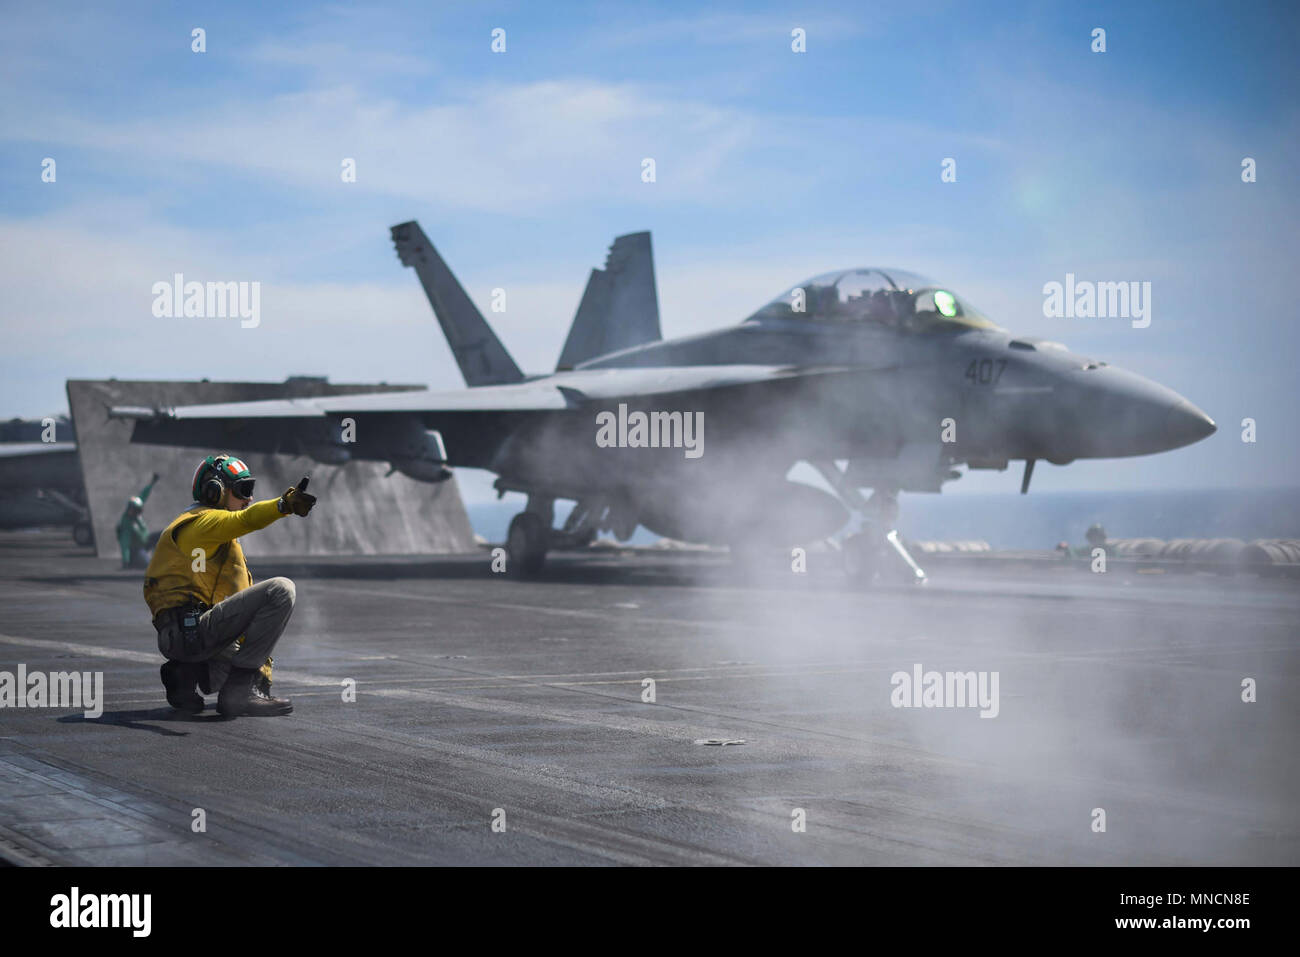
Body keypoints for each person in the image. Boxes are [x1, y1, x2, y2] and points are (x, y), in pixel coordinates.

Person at [143, 454, 316, 718]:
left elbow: (240, 612)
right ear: (216, 491)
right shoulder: (202, 522)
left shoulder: (216, 537)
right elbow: (246, 519)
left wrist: (262, 675)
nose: (249, 499)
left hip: (190, 635)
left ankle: (183, 675)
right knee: (281, 590)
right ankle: (237, 692)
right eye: (243, 490)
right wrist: (283, 505)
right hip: (194, 632)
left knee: (242, 677)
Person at [116, 473, 160, 568]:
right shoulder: (127, 523)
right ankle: (134, 562)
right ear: (129, 509)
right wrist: (125, 561)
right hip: (135, 549)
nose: (136, 513)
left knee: (163, 534)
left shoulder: (136, 515)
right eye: (134, 510)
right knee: (149, 565)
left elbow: (143, 496)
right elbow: (125, 544)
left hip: (145, 540)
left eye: (138, 510)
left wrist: (152, 483)